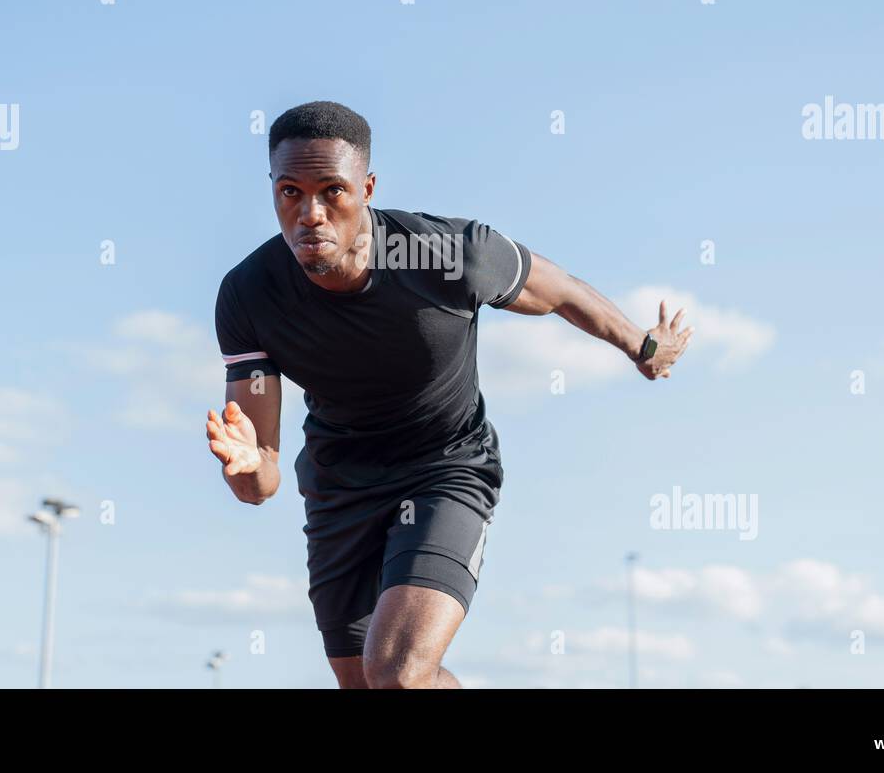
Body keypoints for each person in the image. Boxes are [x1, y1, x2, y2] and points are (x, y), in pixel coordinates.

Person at [209, 100, 693, 688]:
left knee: (397, 676)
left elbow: (561, 291)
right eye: (290, 192)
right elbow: (261, 482)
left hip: (445, 469)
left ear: (367, 187)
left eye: (331, 191)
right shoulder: (249, 293)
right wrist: (247, 466)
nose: (310, 213)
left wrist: (642, 347)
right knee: (365, 684)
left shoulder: (447, 252)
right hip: (340, 489)